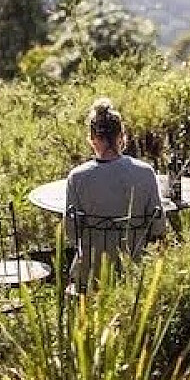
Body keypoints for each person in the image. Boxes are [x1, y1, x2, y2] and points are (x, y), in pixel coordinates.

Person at [65, 97, 165, 290]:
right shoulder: (145, 173)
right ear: (122, 137)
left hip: (91, 275)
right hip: (134, 272)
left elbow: (70, 232)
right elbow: (158, 226)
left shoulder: (77, 178)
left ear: (92, 140)